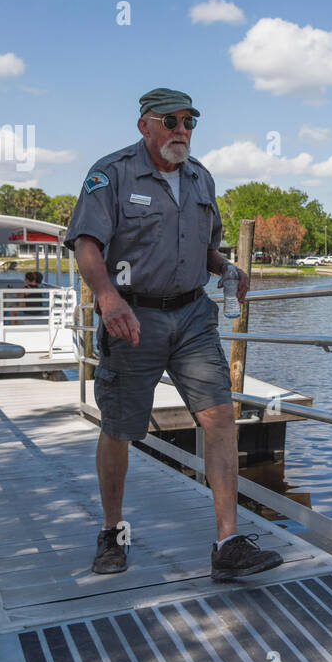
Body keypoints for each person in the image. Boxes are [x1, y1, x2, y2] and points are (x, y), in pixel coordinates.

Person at [64, 87, 279, 580]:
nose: (182, 130)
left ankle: (227, 543)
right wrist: (108, 298)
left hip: (192, 318)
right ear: (145, 124)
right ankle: (112, 533)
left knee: (221, 418)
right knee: (119, 428)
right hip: (133, 318)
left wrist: (227, 267)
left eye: (190, 122)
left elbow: (206, 248)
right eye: (172, 121)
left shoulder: (200, 177)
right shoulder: (111, 173)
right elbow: (87, 244)